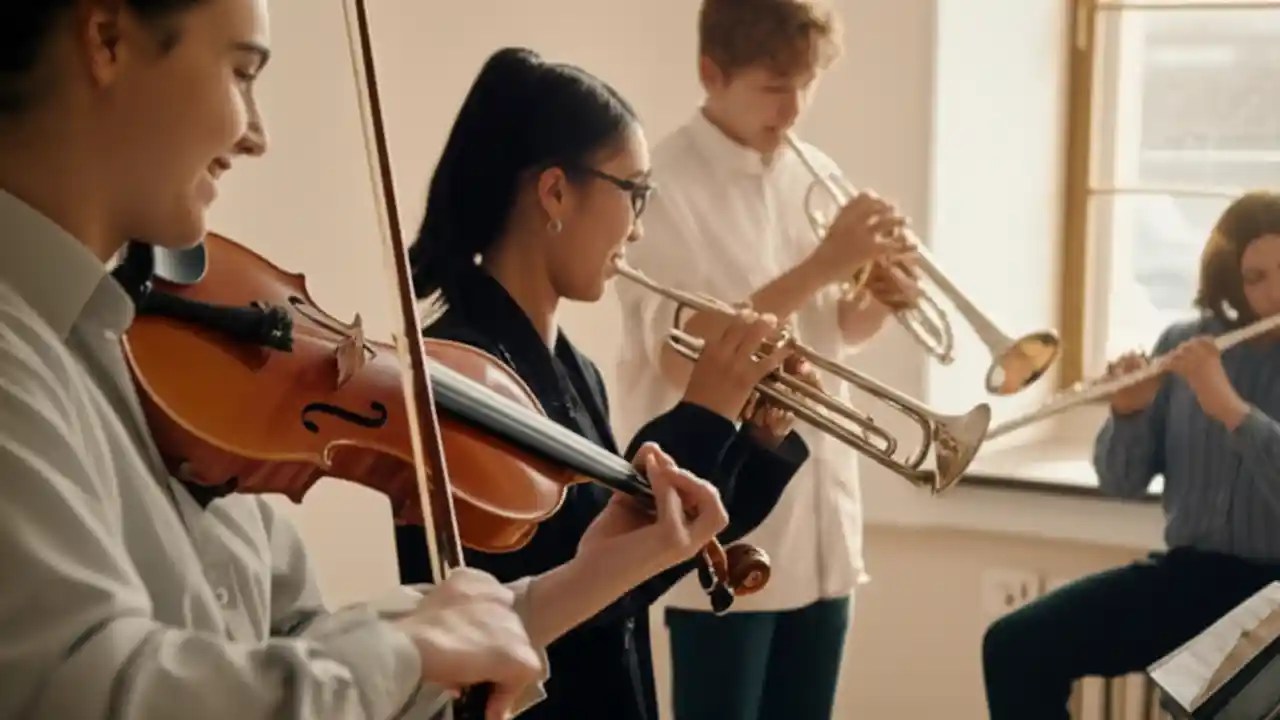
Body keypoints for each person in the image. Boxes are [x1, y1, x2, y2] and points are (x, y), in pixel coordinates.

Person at [0, 2, 735, 719]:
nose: (255, 133)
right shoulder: (20, 356)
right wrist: (410, 653)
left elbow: (291, 643)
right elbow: (84, 690)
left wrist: (571, 585)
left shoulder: (161, 343)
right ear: (106, 39)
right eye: (241, 71)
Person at [397, 46, 830, 720]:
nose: (639, 225)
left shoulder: (575, 368)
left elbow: (642, 562)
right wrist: (703, 413)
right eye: (634, 193)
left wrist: (752, 436)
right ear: (556, 193)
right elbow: (557, 594)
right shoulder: (459, 370)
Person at [611, 1, 921, 717]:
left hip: (824, 520)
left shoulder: (812, 172)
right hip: (729, 523)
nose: (795, 107)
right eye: (774, 87)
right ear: (710, 73)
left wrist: (878, 295)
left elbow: (831, 328)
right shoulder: (662, 187)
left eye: (808, 84)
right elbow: (680, 358)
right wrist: (825, 262)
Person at [981, 190, 1280, 719]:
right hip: (1189, 577)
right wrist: (1128, 412)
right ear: (1230, 278)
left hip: (1273, 598)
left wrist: (1231, 409)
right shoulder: (1186, 342)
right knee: (1016, 644)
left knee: (1223, 703)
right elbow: (1121, 481)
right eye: (1257, 278)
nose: (1275, 292)